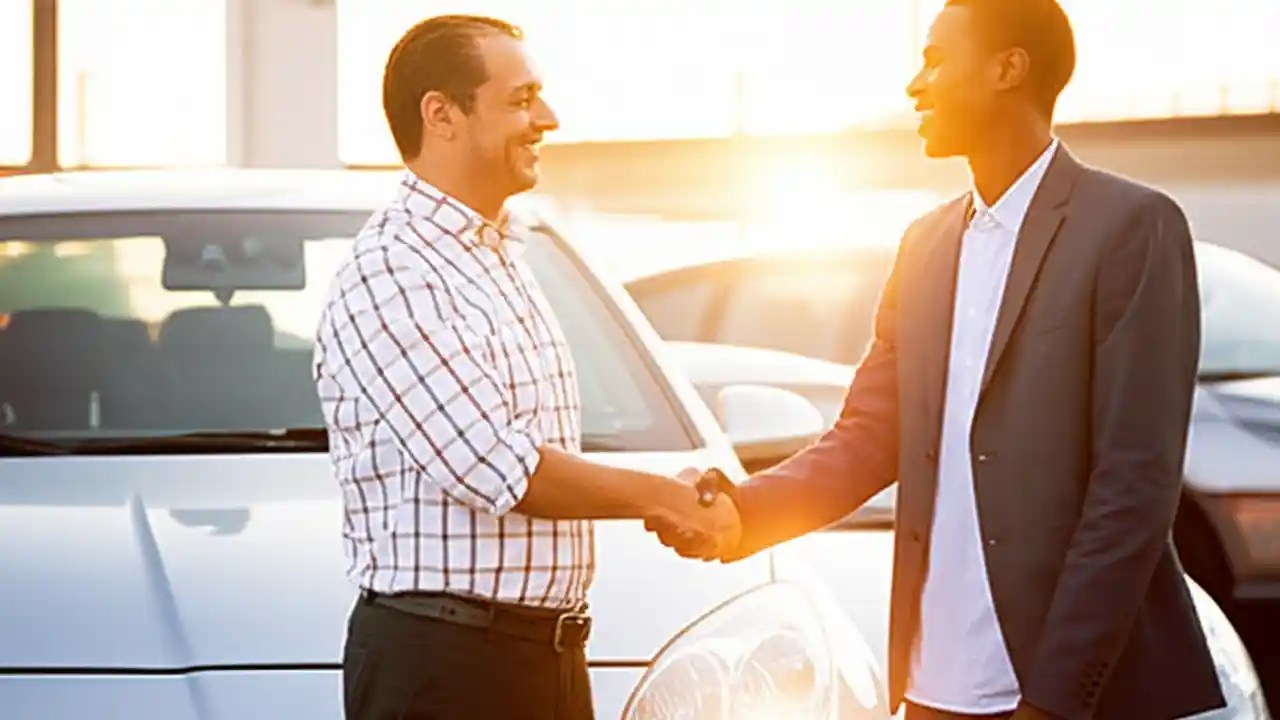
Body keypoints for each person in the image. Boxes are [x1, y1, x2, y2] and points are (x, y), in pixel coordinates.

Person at [651, 1, 1226, 719]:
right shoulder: (924, 246)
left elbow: (1132, 490)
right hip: (932, 686)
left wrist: (1051, 701)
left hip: (1067, 696)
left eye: (934, 60)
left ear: (1008, 68)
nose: (915, 86)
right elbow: (867, 435)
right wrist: (744, 511)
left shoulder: (1132, 228)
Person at [312, 15, 737, 720]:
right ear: (441, 115)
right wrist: (662, 497)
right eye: (520, 99)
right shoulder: (393, 270)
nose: (547, 118)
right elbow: (491, 463)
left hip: (543, 658)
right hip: (447, 670)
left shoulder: (502, 256)